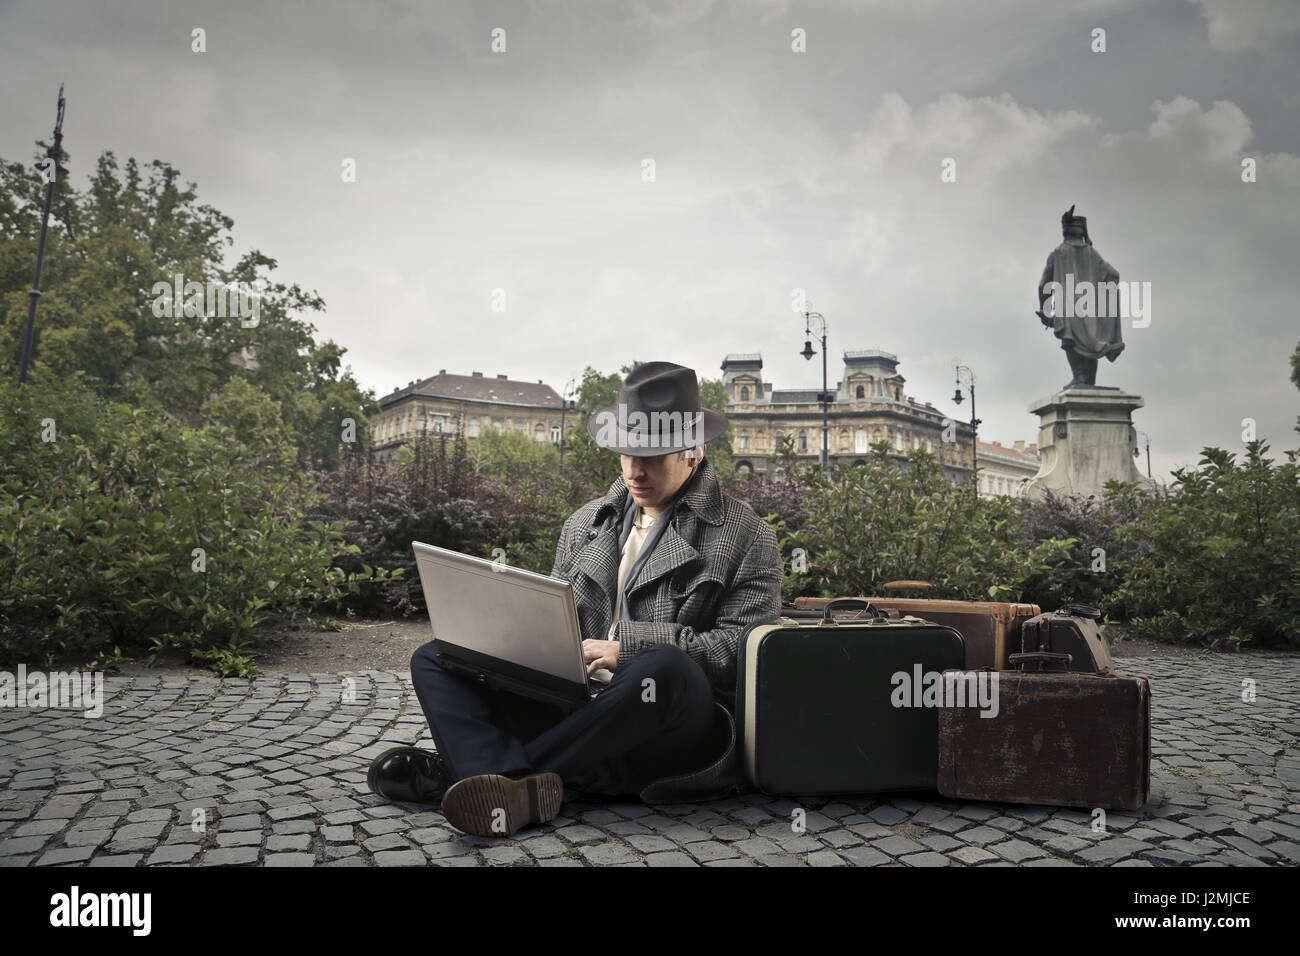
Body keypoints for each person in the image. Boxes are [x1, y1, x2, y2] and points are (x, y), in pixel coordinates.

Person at [367, 361, 784, 837]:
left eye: (654, 455)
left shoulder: (747, 534)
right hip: (580, 709)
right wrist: (510, 643)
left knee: (661, 666)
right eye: (626, 453)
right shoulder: (585, 523)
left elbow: (745, 654)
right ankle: (523, 784)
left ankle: (472, 775)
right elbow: (550, 620)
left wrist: (628, 649)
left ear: (695, 451)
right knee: (437, 656)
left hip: (666, 725)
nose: (635, 469)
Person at [1037, 205, 1124, 388]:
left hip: (1068, 309)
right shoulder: (1092, 254)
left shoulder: (1058, 253)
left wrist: (1046, 310)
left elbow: (1044, 284)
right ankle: (1088, 380)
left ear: (1065, 231)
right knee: (1091, 340)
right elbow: (1113, 275)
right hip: (1090, 308)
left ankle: (1079, 377)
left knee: (1071, 340)